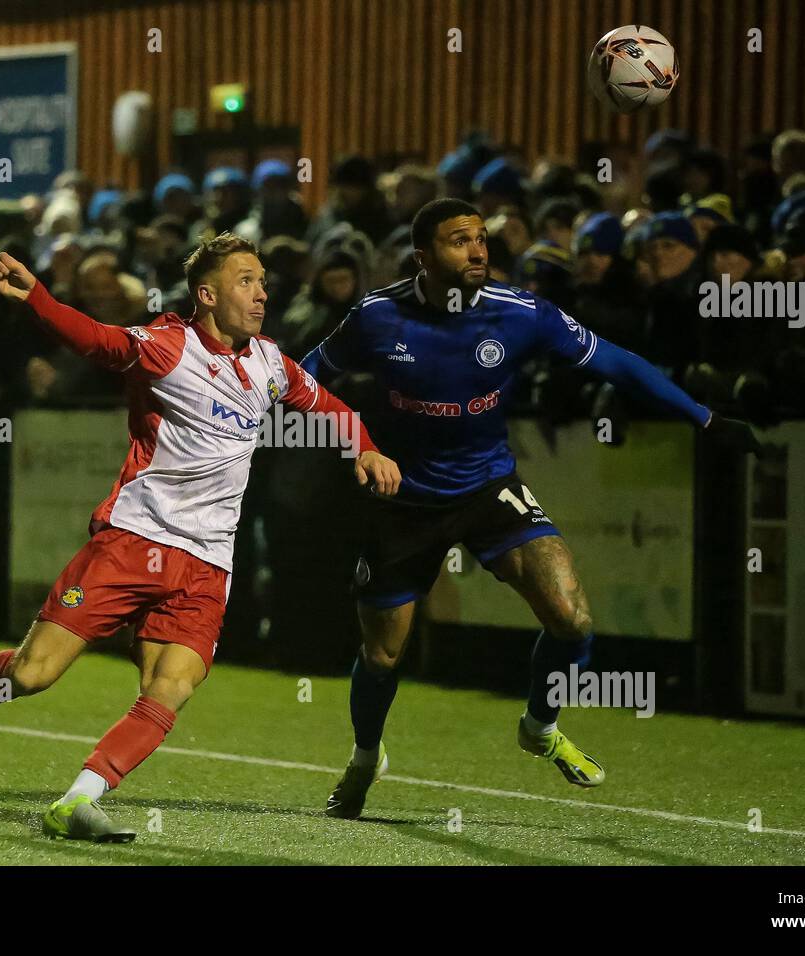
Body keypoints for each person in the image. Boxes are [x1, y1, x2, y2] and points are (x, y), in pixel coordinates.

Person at [0, 234, 402, 842]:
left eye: (263, 280)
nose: (262, 291)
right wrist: (40, 300)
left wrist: (365, 446)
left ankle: (79, 798)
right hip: (133, 540)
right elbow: (99, 340)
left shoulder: (270, 363)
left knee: (174, 685)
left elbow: (328, 405)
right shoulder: (169, 346)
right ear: (207, 294)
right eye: (246, 280)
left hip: (208, 562)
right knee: (31, 676)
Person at [300, 199, 759, 819]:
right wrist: (353, 441)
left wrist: (704, 417)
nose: (478, 250)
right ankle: (364, 757)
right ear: (422, 257)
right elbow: (303, 379)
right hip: (404, 501)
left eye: (482, 239)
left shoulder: (519, 314)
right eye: (459, 241)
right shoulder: (377, 317)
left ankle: (540, 728)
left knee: (571, 619)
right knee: (383, 654)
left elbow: (618, 362)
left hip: (489, 488)